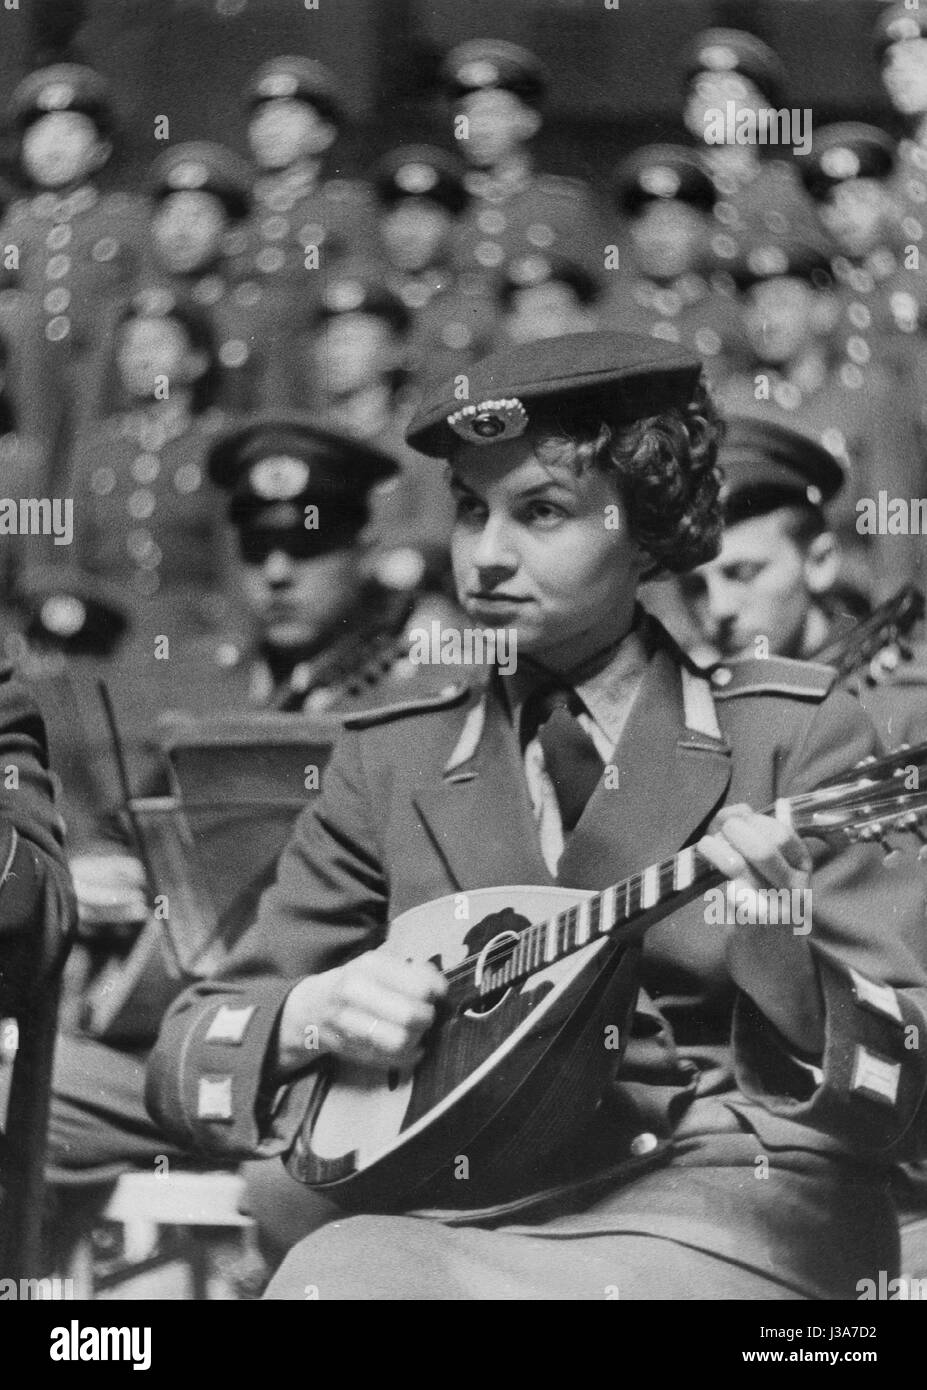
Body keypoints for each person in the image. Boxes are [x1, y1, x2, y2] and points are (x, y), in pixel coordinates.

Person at [147, 331, 927, 1301]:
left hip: (726, 1199)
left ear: (646, 528)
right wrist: (314, 1012)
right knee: (326, 1276)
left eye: (542, 511)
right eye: (473, 511)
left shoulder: (790, 736)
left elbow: (912, 1096)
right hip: (471, 1199)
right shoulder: (391, 758)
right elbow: (190, 1048)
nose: (488, 556)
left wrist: (789, 975)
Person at [35, 415, 462, 1279]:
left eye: (308, 548)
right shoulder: (195, 677)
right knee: (21, 1098)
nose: (276, 573)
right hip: (196, 1047)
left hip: (358, 1066)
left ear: (360, 545)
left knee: (304, 1207)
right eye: (258, 548)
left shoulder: (434, 684)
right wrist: (89, 870)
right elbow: (117, 815)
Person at [675, 414, 927, 750]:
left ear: (820, 562)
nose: (719, 608)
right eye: (695, 588)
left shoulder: (905, 705)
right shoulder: (701, 718)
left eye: (744, 572)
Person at [714, 234, 925, 601]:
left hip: (850, 600)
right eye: (754, 304)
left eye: (781, 302)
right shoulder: (731, 403)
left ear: (823, 309)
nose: (765, 318)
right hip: (752, 602)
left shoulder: (870, 396)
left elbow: (895, 523)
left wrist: (893, 613)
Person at [0, 64, 147, 434]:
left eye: (69, 133)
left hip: (105, 381)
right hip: (27, 387)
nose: (53, 145)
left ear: (100, 150)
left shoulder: (128, 219)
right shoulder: (15, 225)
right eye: (40, 134)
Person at [234, 54, 377, 406]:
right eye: (263, 117)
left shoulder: (348, 208)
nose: (271, 128)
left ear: (322, 134)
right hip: (235, 375)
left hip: (312, 379)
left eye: (288, 117)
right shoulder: (233, 210)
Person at [439, 39, 607, 284]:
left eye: (494, 113)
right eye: (468, 115)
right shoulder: (440, 205)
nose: (479, 128)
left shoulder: (566, 207)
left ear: (528, 122)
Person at [604, 143, 745, 387]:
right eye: (650, 223)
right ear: (631, 230)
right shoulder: (606, 313)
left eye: (676, 223)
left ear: (704, 229)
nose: (661, 238)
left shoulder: (733, 313)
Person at [144, 141, 262, 413]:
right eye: (170, 216)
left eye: (197, 217)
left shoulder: (256, 315)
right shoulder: (130, 314)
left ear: (231, 233)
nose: (180, 232)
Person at [373, 144, 498, 382]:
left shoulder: (481, 307)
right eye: (397, 217)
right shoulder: (368, 300)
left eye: (425, 218)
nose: (408, 233)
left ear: (456, 227)